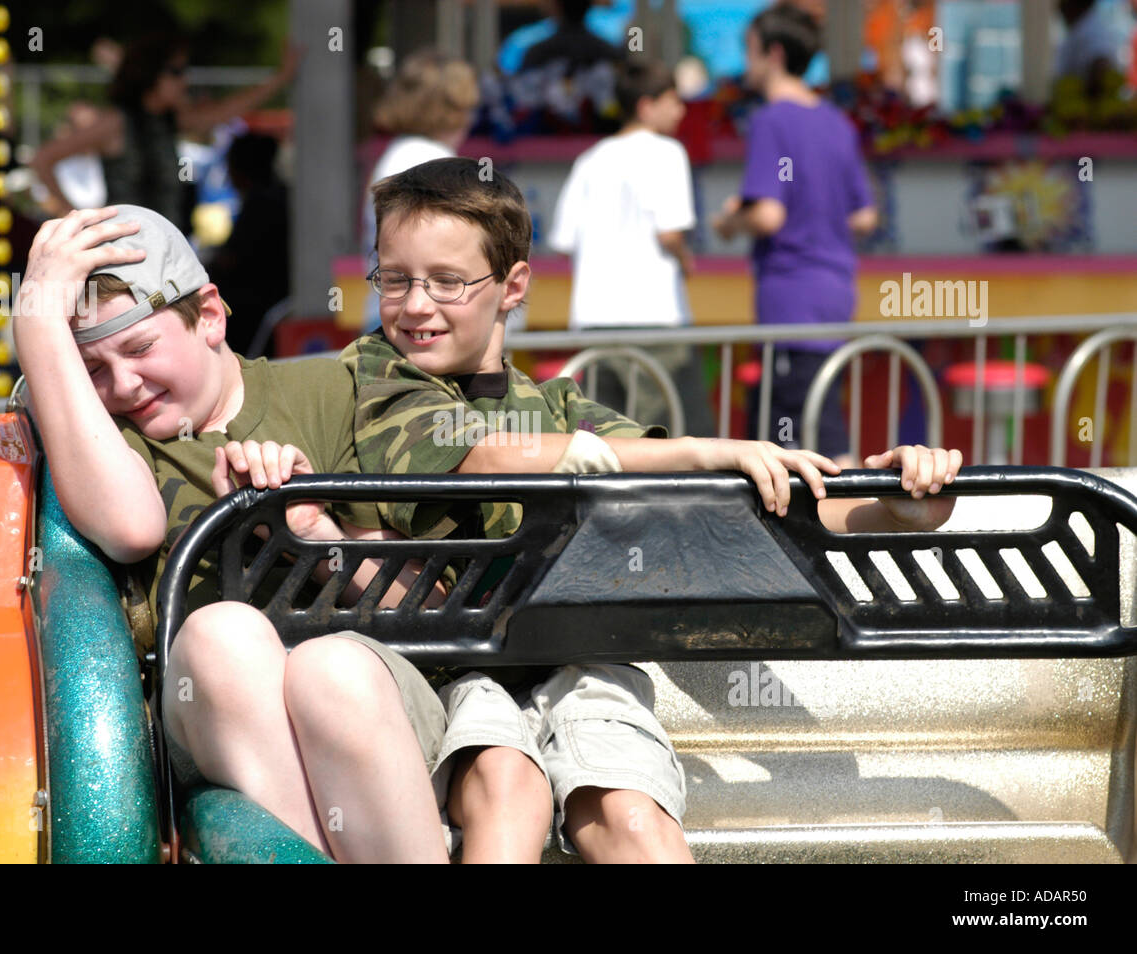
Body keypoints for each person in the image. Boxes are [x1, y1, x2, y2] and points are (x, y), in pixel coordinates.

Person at [340, 156, 962, 863]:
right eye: (395, 278)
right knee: (504, 785)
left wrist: (895, 506)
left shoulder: (558, 407)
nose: (415, 305)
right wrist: (698, 449)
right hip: (450, 672)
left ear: (512, 286)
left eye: (447, 281)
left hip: (580, 666)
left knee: (635, 822)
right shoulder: (376, 377)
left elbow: (735, 508)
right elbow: (480, 453)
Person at [11, 204, 450, 863]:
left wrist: (310, 530)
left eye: (140, 348)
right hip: (211, 713)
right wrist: (38, 320)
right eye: (91, 369)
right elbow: (131, 529)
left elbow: (428, 603)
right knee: (223, 634)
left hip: (380, 707)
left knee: (332, 669)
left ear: (210, 316)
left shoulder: (334, 392)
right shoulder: (109, 438)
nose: (123, 384)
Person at [712, 2, 878, 467]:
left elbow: (769, 215)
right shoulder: (836, 122)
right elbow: (864, 216)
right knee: (821, 424)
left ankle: (850, 513)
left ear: (775, 53)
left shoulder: (772, 120)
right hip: (836, 295)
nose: (744, 63)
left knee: (795, 448)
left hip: (791, 300)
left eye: (749, 50)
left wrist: (731, 221)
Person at [549, 58, 713, 437]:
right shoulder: (668, 152)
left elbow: (563, 242)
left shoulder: (590, 158)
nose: (681, 110)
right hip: (655, 318)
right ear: (646, 105)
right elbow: (670, 233)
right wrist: (686, 260)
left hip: (594, 319)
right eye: (673, 101)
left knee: (607, 438)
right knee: (669, 435)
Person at [30, 33, 299, 232]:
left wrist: (280, 78)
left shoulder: (168, 120)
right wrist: (77, 220)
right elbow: (42, 159)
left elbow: (226, 110)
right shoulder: (117, 122)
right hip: (125, 259)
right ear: (151, 74)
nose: (185, 80)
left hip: (165, 255)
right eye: (176, 71)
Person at [360, 49, 480, 333]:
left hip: (393, 311)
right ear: (453, 107)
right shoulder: (433, 163)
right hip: (415, 320)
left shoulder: (400, 154)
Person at [206, 132, 290, 357]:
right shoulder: (276, 196)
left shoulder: (262, 203)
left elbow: (231, 259)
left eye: (230, 166)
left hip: (258, 309)